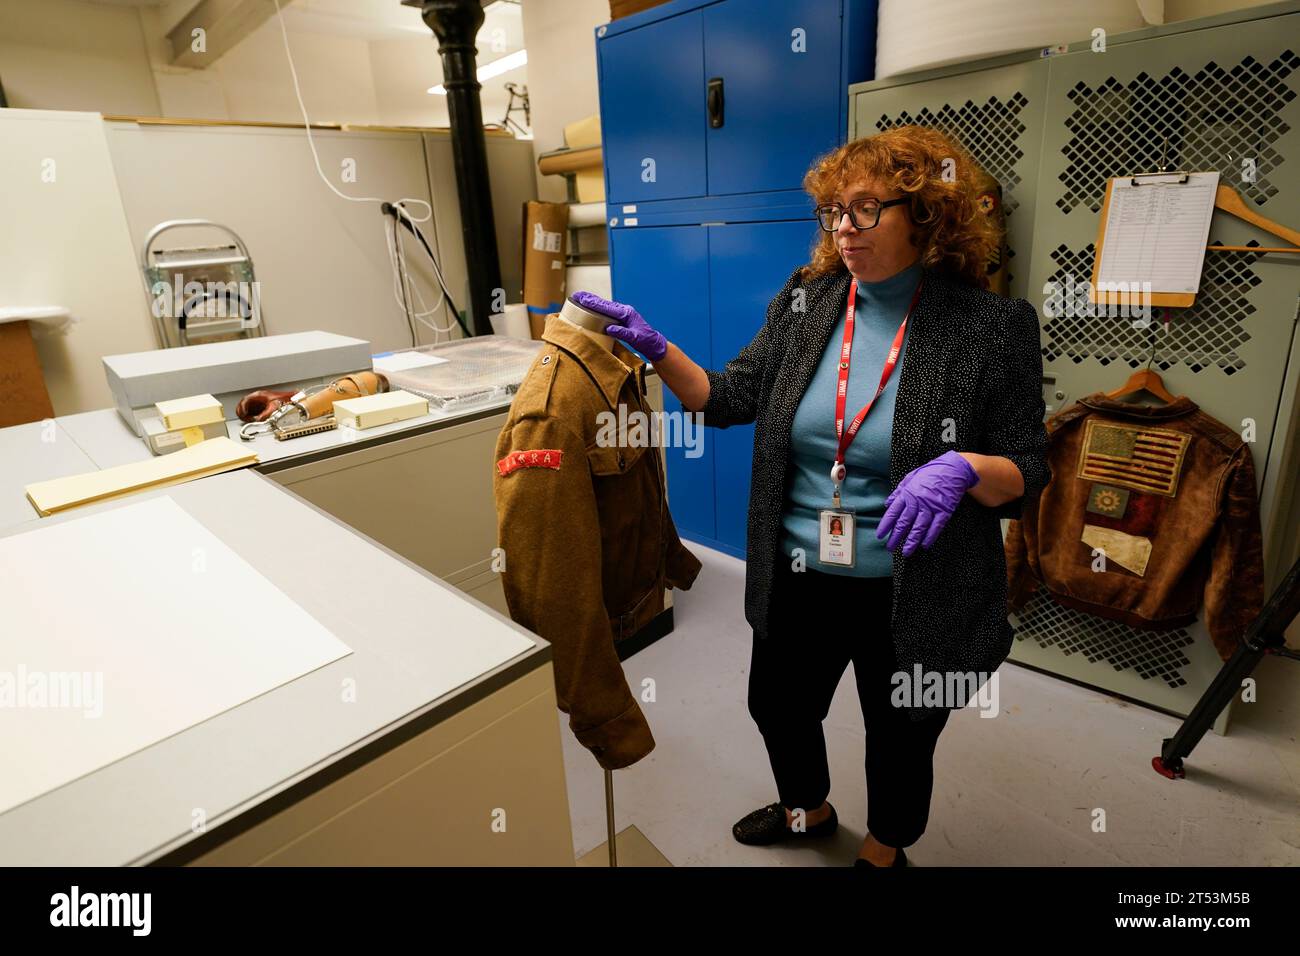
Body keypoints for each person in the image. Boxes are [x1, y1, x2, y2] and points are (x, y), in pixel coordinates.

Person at [572, 125, 1049, 867]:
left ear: (925, 215)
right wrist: (658, 349)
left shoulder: (991, 328)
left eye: (866, 208)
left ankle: (885, 850)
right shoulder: (808, 301)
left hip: (913, 581)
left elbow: (1027, 468)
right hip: (800, 569)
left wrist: (963, 466)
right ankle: (809, 811)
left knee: (902, 730)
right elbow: (728, 396)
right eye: (833, 210)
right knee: (779, 707)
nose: (844, 228)